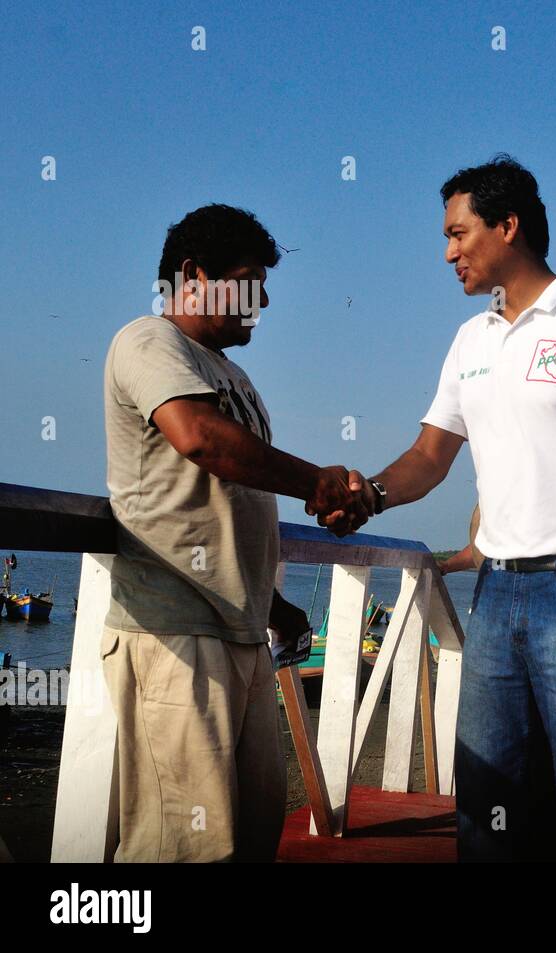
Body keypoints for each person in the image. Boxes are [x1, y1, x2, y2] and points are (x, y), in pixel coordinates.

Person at [321, 156, 556, 861]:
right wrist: (371, 496)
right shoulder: (469, 340)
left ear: (508, 226)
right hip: (497, 590)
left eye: (459, 233)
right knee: (486, 794)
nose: (447, 251)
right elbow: (429, 456)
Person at [101, 204, 370, 862]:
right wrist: (317, 481)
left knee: (247, 838)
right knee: (185, 847)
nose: (266, 298)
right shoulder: (146, 340)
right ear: (192, 273)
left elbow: (226, 497)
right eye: (251, 280)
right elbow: (201, 440)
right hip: (177, 636)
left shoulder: (232, 375)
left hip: (242, 633)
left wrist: (270, 601)